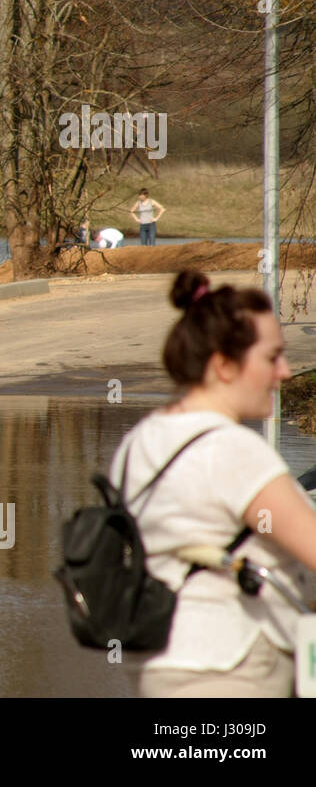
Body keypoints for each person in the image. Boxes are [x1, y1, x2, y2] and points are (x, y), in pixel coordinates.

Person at [111, 270, 316, 696]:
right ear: (224, 365)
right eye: (272, 357)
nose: (286, 371)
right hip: (231, 669)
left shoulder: (139, 441)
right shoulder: (229, 450)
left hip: (160, 662)